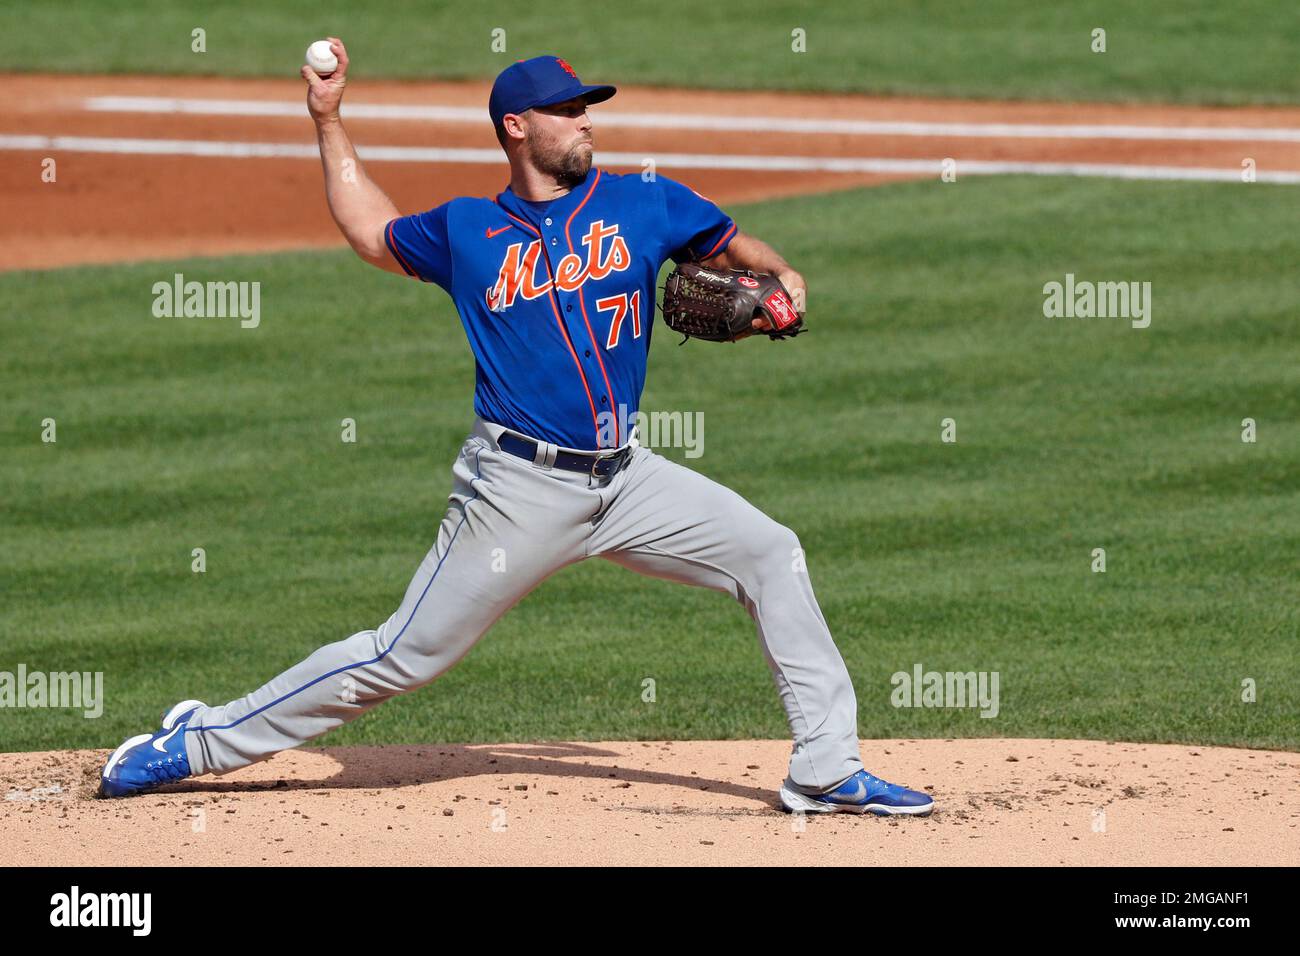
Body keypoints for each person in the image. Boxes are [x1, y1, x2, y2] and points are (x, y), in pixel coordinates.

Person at [99, 42, 934, 817]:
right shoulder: (467, 230)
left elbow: (749, 255)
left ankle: (825, 765)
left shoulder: (647, 202)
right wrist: (328, 121)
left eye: (588, 107)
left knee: (770, 551)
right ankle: (199, 739)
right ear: (516, 127)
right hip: (516, 492)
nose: (585, 121)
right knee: (403, 656)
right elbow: (368, 231)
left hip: (627, 479)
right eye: (567, 110)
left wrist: (783, 283)